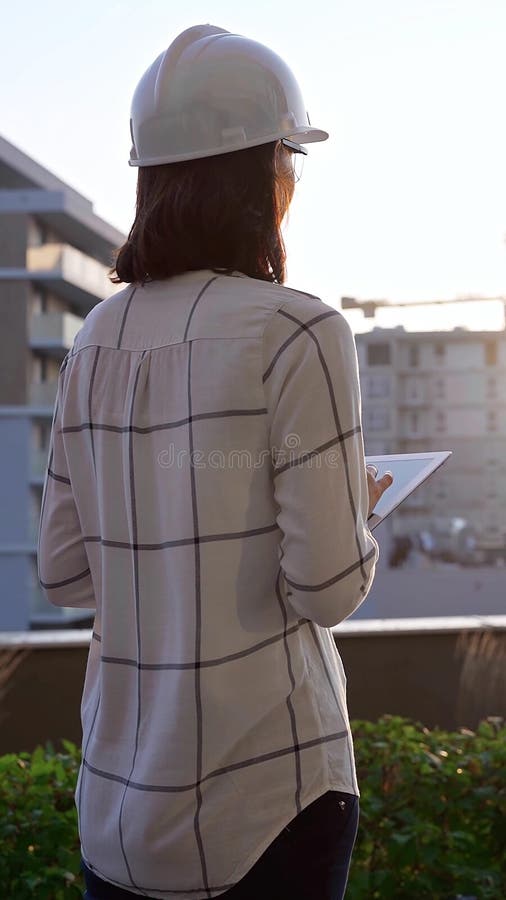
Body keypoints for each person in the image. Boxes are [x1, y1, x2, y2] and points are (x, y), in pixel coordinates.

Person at [37, 24, 393, 900]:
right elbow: (327, 589)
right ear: (263, 173)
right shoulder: (301, 331)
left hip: (118, 810)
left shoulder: (95, 339)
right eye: (289, 159)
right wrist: (356, 507)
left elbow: (63, 570)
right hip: (271, 794)